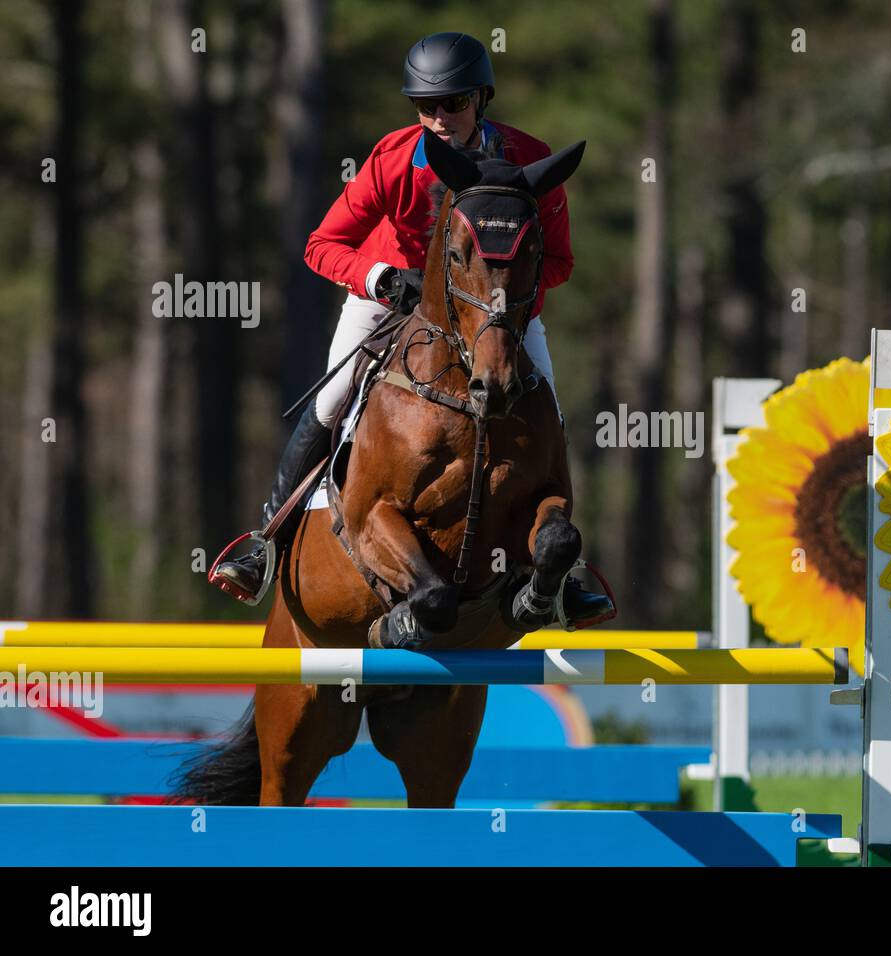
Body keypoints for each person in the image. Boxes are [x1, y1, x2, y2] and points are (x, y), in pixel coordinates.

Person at [212, 31, 611, 627]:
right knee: (331, 400)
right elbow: (322, 245)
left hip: (491, 313)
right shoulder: (395, 159)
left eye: (451, 104)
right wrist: (379, 279)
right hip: (392, 297)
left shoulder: (533, 160)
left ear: (480, 99)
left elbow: (559, 263)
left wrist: (496, 302)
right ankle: (266, 536)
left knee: (547, 409)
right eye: (426, 107)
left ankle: (562, 573)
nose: (439, 119)